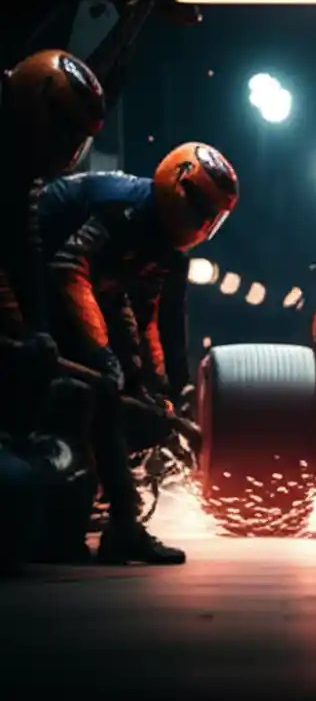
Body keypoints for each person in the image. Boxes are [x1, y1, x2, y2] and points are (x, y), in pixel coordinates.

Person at [38, 141, 239, 564]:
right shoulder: (122, 209)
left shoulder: (163, 241)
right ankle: (97, 526)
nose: (202, 221)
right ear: (176, 183)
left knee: (133, 401)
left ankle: (100, 517)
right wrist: (102, 356)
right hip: (34, 282)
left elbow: (140, 312)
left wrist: (153, 383)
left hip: (70, 290)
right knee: (93, 396)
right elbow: (68, 267)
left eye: (211, 217)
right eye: (200, 207)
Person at [0, 49, 105, 570]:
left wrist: (39, 333)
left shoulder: (21, 174)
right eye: (64, 131)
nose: (67, 147)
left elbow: (24, 257)